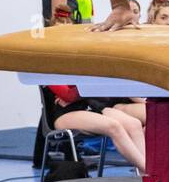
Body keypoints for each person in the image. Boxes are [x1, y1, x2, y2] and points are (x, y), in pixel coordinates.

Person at [42, 10, 147, 172]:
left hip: (92, 107)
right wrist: (82, 90)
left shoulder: (79, 58)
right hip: (64, 113)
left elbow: (94, 86)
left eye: (68, 33)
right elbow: (67, 94)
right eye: (60, 34)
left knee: (133, 124)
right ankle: (149, 171)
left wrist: (80, 90)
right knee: (114, 126)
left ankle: (145, 177)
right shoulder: (45, 63)